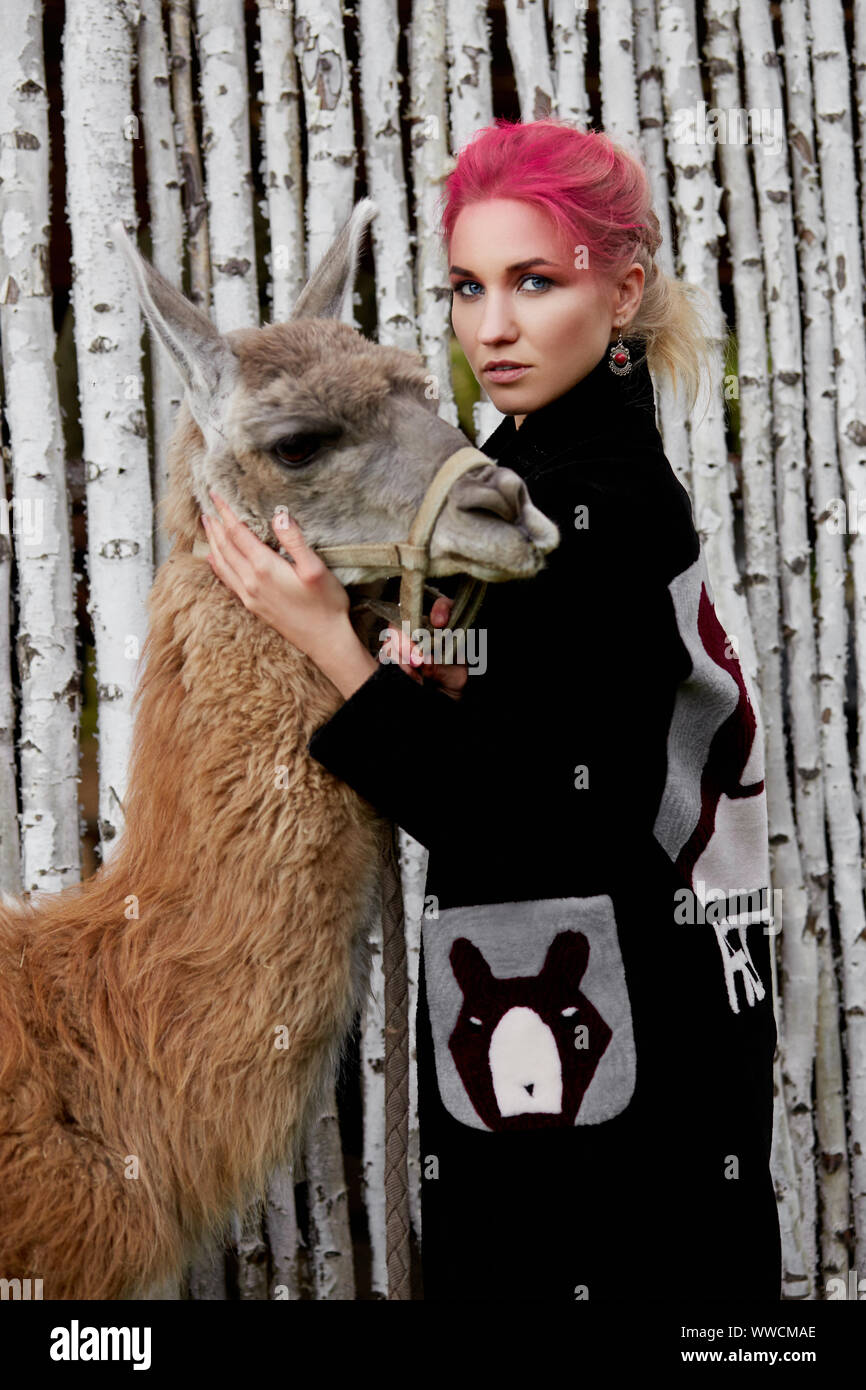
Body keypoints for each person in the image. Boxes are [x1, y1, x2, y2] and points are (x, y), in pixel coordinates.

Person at [202, 119, 782, 1302]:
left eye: (534, 282)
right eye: (467, 287)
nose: (492, 328)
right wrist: (446, 666)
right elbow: (539, 708)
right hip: (576, 989)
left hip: (610, 1015)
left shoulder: (597, 502)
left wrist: (330, 646)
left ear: (620, 292)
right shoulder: (517, 461)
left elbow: (523, 813)